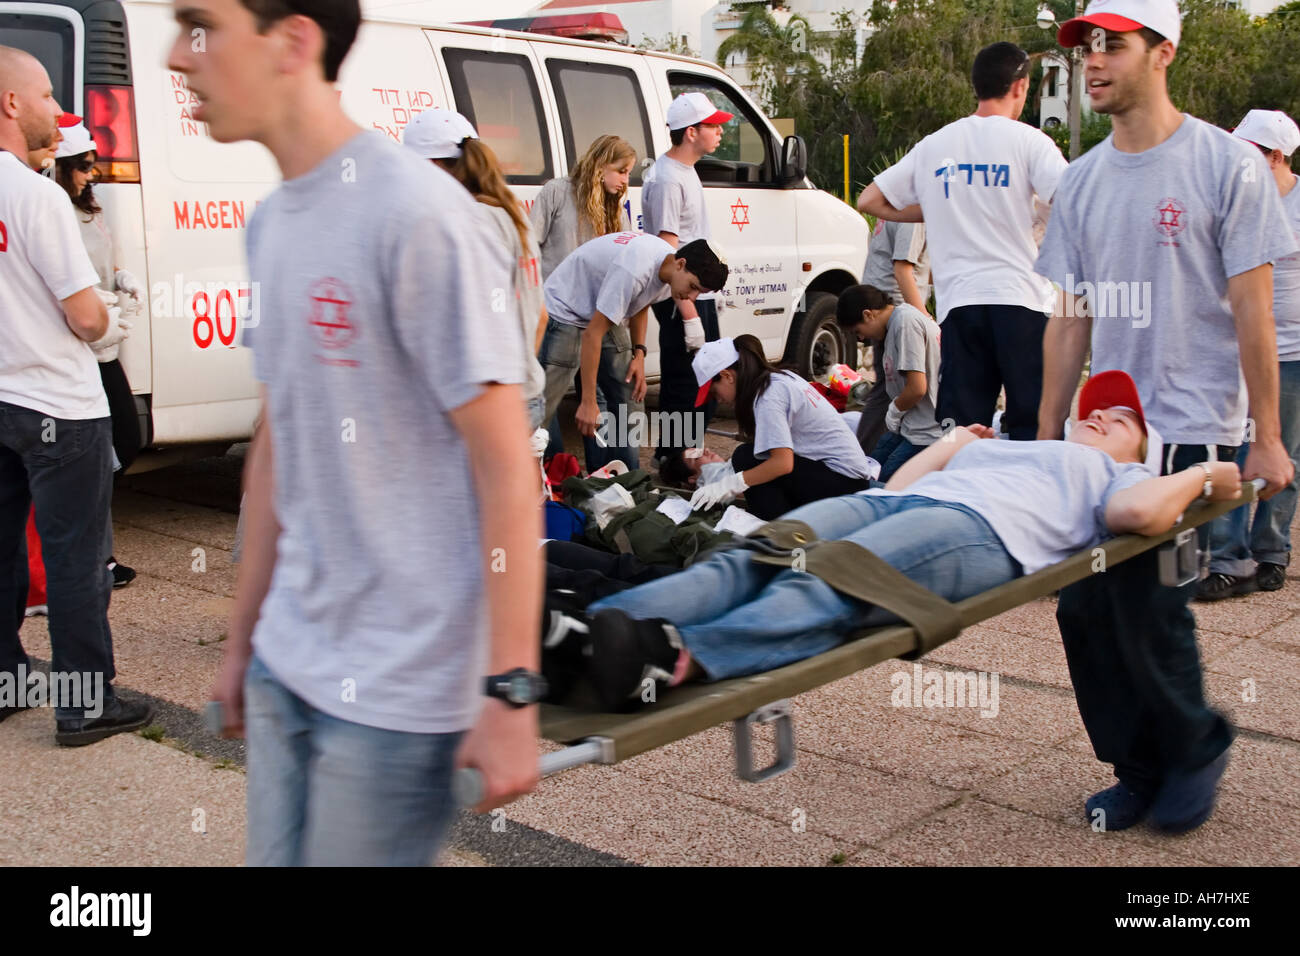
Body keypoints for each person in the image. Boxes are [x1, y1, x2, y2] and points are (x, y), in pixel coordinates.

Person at [169, 0, 541, 866]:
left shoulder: (419, 216)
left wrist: (512, 693)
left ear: (293, 41)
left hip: (397, 692)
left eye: (201, 27)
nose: (178, 59)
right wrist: (242, 643)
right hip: (287, 665)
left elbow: (505, 470)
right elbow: (275, 451)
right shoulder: (275, 221)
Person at [554, 372, 1242, 713]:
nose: (1099, 417)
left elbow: (1138, 514)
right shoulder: (1024, 447)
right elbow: (896, 478)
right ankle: (607, 629)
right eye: (1094, 408)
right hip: (899, 499)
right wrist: (953, 443)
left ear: (1140, 449)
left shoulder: (1111, 472)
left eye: (1120, 419)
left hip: (979, 531)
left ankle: (678, 660)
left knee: (829, 581)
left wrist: (1204, 473)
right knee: (757, 553)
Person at [1035, 0, 1297, 834]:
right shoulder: (1080, 179)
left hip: (1190, 424)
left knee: (1149, 597)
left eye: (1113, 44)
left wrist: (1268, 436)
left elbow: (1253, 310)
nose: (1095, 61)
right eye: (1085, 49)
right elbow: (1069, 316)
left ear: (1163, 50)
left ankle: (1196, 743)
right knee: (1082, 608)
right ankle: (1137, 766)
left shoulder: (1228, 166)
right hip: (1108, 429)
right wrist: (1042, 441)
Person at [0, 45, 151, 741]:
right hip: (60, 405)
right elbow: (85, 316)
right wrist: (109, 315)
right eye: (43, 96)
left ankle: (6, 680)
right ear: (9, 104)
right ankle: (84, 703)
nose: (53, 111)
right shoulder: (37, 196)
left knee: (3, 548)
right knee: (75, 558)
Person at [859, 41, 1069, 441]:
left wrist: (940, 209)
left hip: (961, 307)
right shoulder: (1030, 141)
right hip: (1021, 300)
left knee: (960, 434)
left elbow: (870, 199)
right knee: (1034, 427)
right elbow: (1072, 198)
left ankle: (965, 497)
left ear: (976, 86)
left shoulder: (937, 144)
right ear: (1020, 87)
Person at [1200, 109, 1300, 599]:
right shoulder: (1236, 200)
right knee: (1235, 451)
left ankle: (1271, 552)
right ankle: (1227, 558)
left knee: (1285, 455)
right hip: (1238, 347)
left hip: (1295, 351)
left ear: (1276, 157)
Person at [402, 108, 547, 432]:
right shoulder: (513, 214)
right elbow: (540, 317)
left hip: (484, 408)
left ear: (434, 167)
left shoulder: (468, 222)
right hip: (523, 394)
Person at [53, 115, 143, 587]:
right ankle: (96, 554)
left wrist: (120, 279)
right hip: (78, 341)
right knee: (90, 453)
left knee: (123, 439)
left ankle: (89, 541)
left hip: (104, 340)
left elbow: (105, 258)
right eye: (85, 165)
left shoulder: (93, 206)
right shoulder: (48, 208)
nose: (93, 174)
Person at [541, 231, 729, 447]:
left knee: (630, 396)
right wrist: (588, 401)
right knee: (546, 404)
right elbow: (592, 335)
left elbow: (641, 301)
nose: (692, 297)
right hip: (565, 309)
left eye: (699, 292)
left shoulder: (669, 271)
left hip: (602, 312)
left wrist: (638, 353)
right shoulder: (635, 269)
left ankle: (626, 476)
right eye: (693, 287)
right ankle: (546, 472)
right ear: (681, 264)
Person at [532, 135, 639, 471]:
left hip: (603, 316)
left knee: (612, 398)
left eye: (628, 173)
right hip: (560, 313)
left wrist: (639, 349)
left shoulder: (614, 207)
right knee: (546, 397)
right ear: (599, 164)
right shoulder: (556, 191)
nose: (625, 180)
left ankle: (614, 476)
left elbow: (629, 262)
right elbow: (529, 246)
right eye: (621, 171)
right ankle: (556, 470)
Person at [687, 336, 875, 519]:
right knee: (752, 456)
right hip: (845, 477)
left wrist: (730, 484)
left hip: (845, 484)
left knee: (745, 458)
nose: (719, 400)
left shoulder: (769, 395)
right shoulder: (778, 379)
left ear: (727, 376)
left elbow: (782, 464)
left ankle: (776, 527)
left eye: (714, 393)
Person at [642, 91, 732, 461]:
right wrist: (690, 313)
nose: (721, 132)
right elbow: (670, 253)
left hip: (697, 296)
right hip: (683, 299)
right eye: (713, 126)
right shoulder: (667, 179)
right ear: (691, 132)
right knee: (684, 383)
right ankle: (674, 459)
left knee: (703, 381)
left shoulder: (686, 171)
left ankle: (688, 452)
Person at [836, 285, 942, 481]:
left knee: (883, 483)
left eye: (858, 331)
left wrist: (894, 411)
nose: (861, 338)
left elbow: (917, 388)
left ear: (868, 315)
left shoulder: (904, 323)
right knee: (865, 471)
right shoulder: (893, 326)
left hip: (928, 431)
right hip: (910, 426)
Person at [856, 220, 931, 454]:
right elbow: (902, 270)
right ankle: (864, 457)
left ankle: (868, 453)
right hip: (895, 311)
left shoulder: (894, 211)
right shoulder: (912, 216)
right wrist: (925, 320)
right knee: (890, 391)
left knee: (886, 389)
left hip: (889, 310)